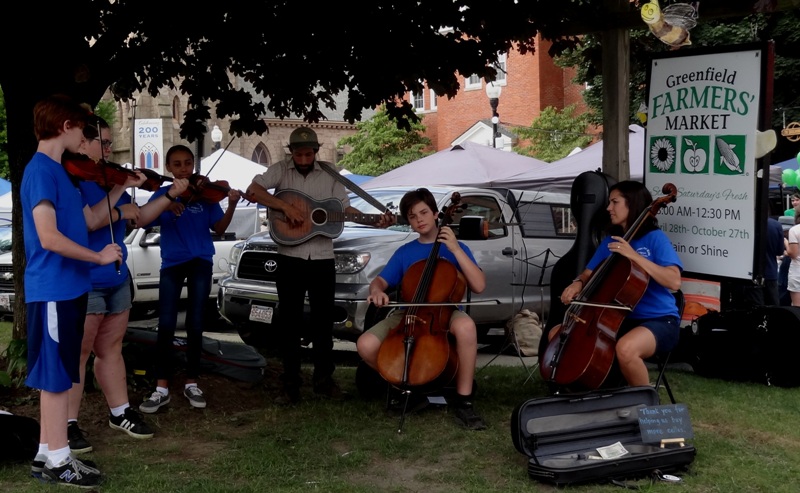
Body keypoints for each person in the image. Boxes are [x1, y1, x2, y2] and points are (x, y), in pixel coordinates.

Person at [65, 117, 189, 454]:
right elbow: (89, 222)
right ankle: (68, 423)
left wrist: (168, 194)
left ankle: (120, 412)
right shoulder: (74, 179)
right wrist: (122, 199)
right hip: (85, 277)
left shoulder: (108, 179)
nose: (109, 150)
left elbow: (141, 216)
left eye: (109, 143)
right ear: (81, 143)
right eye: (103, 143)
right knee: (79, 353)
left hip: (117, 277)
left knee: (112, 348)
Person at [22, 94, 128, 487]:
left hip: (66, 289)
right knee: (55, 379)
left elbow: (82, 222)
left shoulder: (59, 172)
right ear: (65, 126)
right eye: (82, 129)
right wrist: (97, 257)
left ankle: (45, 455)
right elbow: (48, 238)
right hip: (52, 289)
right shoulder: (41, 172)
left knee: (60, 374)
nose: (85, 138)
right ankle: (61, 460)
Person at [245, 127, 394, 404]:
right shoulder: (280, 170)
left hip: (323, 258)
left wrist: (373, 219)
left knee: (323, 323)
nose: (303, 158)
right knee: (289, 323)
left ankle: (324, 382)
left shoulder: (330, 173)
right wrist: (285, 207)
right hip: (289, 258)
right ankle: (290, 386)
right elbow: (253, 190)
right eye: (298, 153)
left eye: (308, 153)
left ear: (316, 151)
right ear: (291, 152)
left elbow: (345, 209)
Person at [356, 188, 488, 430]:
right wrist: (376, 291)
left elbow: (479, 285)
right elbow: (381, 281)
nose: (419, 219)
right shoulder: (405, 252)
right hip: (407, 311)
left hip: (445, 311)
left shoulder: (455, 247)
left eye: (424, 212)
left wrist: (456, 249)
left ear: (437, 213)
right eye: (413, 216)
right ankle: (406, 388)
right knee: (365, 344)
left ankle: (464, 400)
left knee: (467, 327)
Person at [549, 180, 683, 388]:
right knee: (558, 334)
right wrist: (577, 284)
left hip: (659, 320)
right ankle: (585, 389)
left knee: (626, 348)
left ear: (632, 204)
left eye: (615, 202)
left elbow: (674, 281)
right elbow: (588, 273)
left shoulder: (655, 239)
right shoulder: (611, 241)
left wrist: (634, 256)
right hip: (617, 319)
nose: (608, 208)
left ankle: (646, 404)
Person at [138, 145, 238, 413]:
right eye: (177, 164)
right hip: (172, 263)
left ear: (193, 165)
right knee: (167, 323)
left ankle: (192, 382)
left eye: (187, 163)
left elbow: (219, 227)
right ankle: (161, 387)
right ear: (169, 168)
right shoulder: (163, 194)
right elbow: (143, 221)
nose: (183, 168)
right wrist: (168, 204)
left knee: (195, 323)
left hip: (201, 262)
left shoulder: (206, 196)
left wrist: (232, 204)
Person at [786, 208, 800, 307]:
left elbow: (793, 254)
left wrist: (786, 244)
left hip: (797, 271)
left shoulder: (794, 230)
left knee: (797, 307)